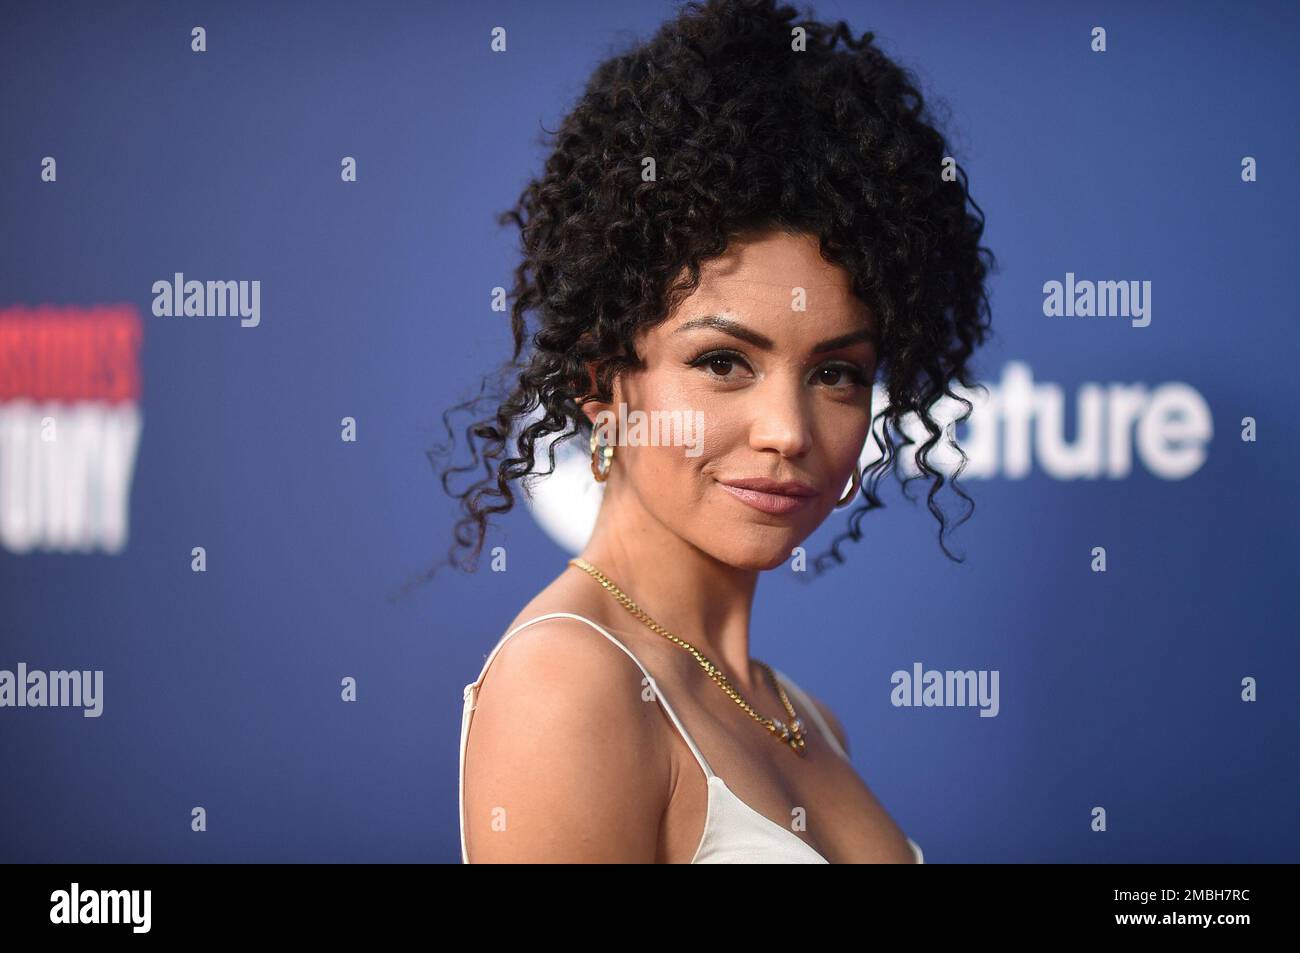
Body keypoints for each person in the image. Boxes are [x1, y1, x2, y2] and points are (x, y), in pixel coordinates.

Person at [444, 0, 994, 863]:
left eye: (836, 373)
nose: (787, 430)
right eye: (724, 363)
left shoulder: (807, 717)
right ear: (601, 382)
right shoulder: (570, 681)